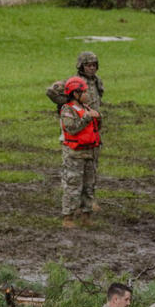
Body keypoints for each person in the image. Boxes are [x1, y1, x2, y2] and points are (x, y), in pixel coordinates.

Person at [59, 75, 101, 228]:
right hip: (75, 155)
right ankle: (68, 218)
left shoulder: (87, 108)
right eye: (84, 92)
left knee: (88, 186)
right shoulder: (67, 110)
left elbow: (96, 128)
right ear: (75, 93)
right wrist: (87, 118)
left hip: (90, 153)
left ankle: (86, 216)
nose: (87, 94)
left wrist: (98, 117)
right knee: (73, 186)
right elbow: (72, 128)